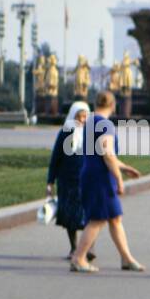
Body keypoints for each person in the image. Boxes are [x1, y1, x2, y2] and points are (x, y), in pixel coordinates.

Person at [70, 90, 144, 273]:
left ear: (96, 104)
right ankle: (78, 258)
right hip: (101, 178)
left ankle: (126, 259)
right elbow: (108, 154)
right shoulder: (105, 124)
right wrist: (119, 179)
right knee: (97, 220)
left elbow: (101, 153)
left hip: (90, 174)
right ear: (113, 105)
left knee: (114, 218)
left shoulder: (90, 122)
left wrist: (124, 167)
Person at [48, 102, 94, 262]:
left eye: (85, 116)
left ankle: (88, 248)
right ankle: (74, 248)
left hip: (87, 180)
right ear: (72, 116)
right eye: (79, 116)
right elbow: (56, 158)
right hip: (67, 181)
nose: (82, 119)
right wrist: (50, 181)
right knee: (70, 217)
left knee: (89, 215)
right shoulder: (65, 133)